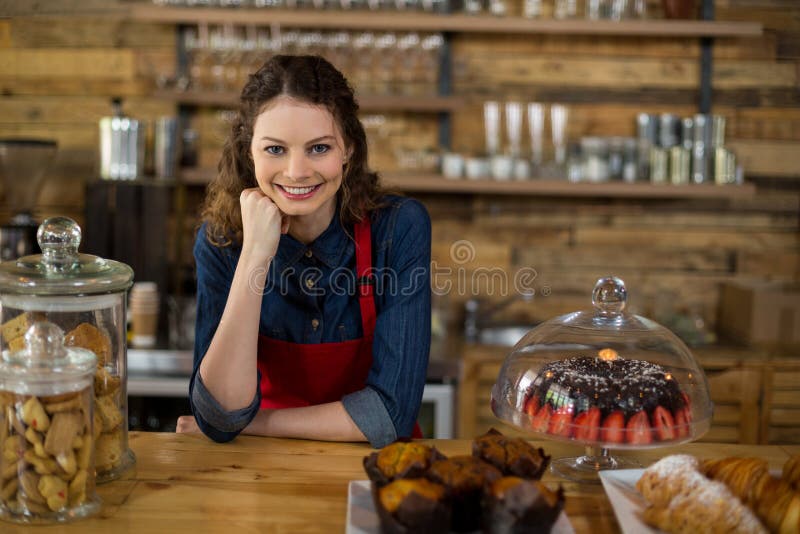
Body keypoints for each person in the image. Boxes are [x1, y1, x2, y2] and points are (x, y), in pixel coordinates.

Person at [175, 55, 432, 448]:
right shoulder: (221, 241)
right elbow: (219, 411)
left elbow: (389, 415)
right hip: (260, 479)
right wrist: (254, 258)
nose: (296, 171)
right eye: (275, 149)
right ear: (249, 153)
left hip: (376, 474)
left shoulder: (399, 229)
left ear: (348, 148)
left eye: (318, 148)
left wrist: (255, 424)